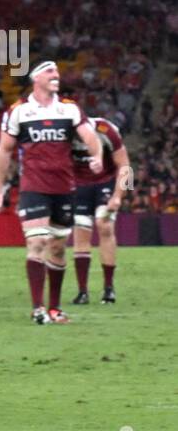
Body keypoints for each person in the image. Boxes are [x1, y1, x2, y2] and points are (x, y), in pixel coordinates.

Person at [0, 61, 103, 323]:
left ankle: (55, 308)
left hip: (64, 189)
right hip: (33, 188)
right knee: (37, 242)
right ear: (35, 78)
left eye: (57, 73)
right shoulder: (18, 111)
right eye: (50, 72)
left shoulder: (69, 108)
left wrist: (96, 155)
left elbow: (89, 135)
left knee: (58, 248)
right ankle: (38, 309)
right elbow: (4, 151)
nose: (56, 76)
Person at [70, 115, 130, 304]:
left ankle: (109, 288)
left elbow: (126, 165)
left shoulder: (106, 130)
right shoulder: (64, 132)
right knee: (81, 232)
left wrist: (118, 196)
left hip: (106, 182)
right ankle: (82, 291)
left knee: (104, 226)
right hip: (79, 185)